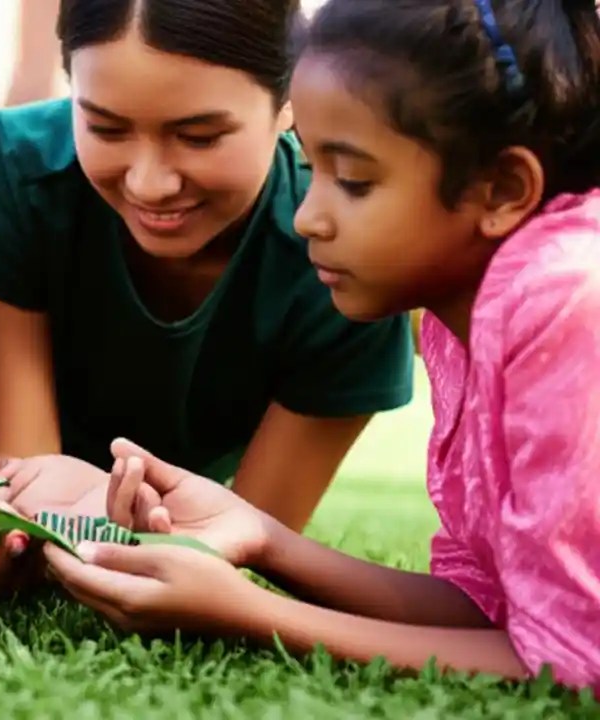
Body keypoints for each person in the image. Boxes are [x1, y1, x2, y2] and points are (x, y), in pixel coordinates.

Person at [46, 0, 600, 689]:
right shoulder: (467, 317)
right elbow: (492, 610)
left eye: (355, 181)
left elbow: (571, 660)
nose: (308, 216)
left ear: (503, 188)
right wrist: (260, 537)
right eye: (310, 165)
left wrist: (249, 614)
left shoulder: (569, 297)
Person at [0, 0, 415, 599]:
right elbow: (25, 511)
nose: (149, 183)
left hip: (169, 494)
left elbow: (239, 550)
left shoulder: (340, 257)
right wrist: (4, 535)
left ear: (289, 101)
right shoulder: (12, 170)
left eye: (199, 136)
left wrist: (119, 537)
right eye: (106, 128)